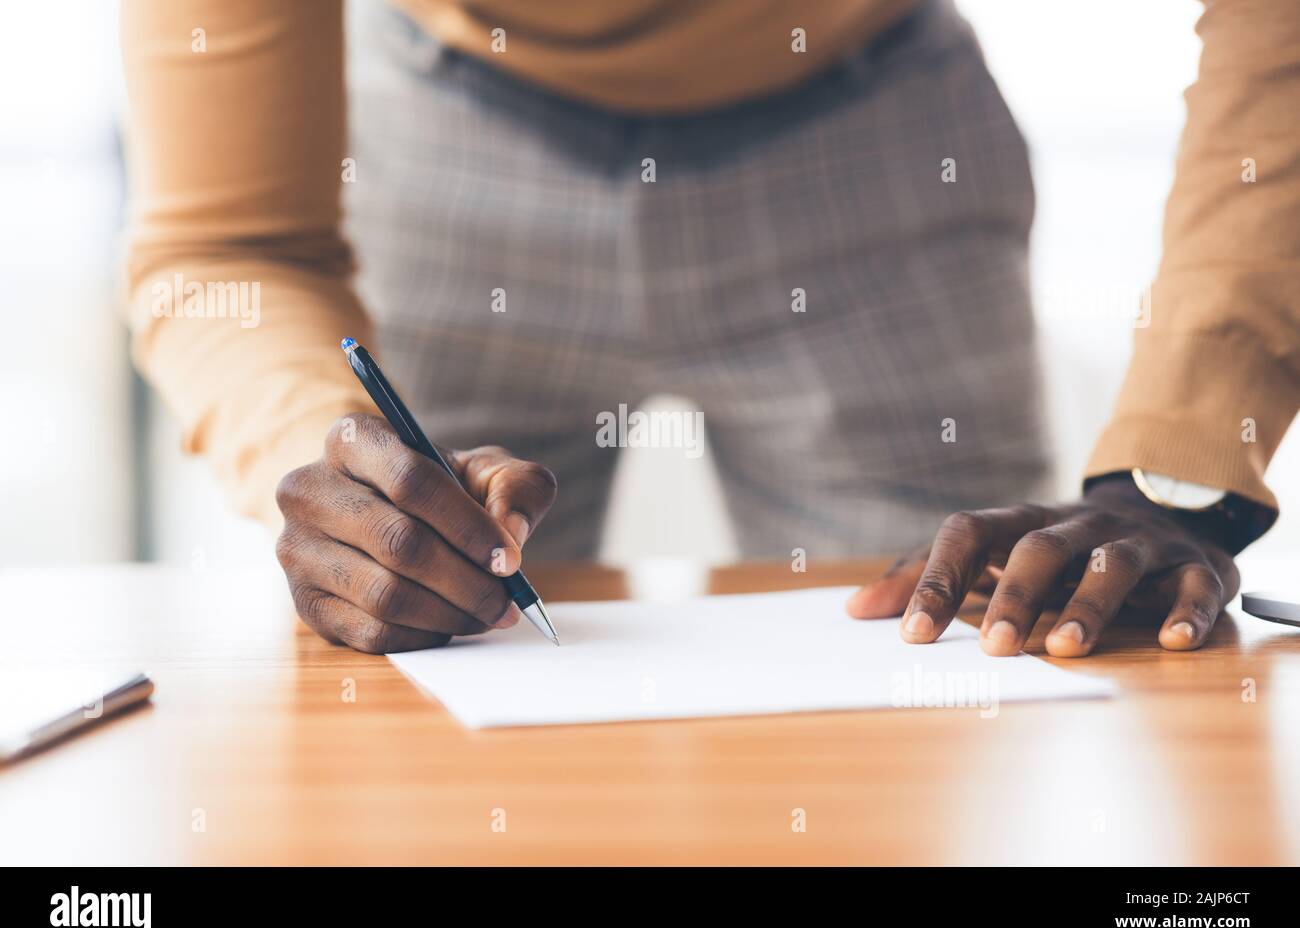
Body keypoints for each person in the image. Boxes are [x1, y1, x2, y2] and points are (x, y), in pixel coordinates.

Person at [121, 0, 1297, 656]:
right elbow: (232, 245)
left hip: (874, 132)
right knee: (415, 636)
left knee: (967, 665)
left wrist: (1179, 465)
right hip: (440, 149)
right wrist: (330, 456)